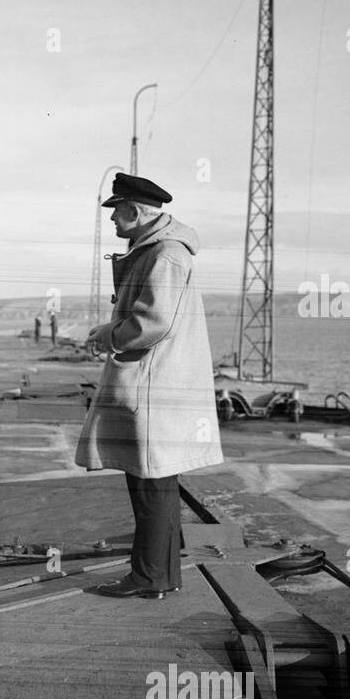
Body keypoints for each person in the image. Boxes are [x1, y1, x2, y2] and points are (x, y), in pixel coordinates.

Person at [76, 171, 223, 600]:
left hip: (154, 386)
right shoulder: (160, 251)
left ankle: (149, 577)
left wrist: (109, 335)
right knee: (154, 481)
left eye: (117, 212)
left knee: (150, 483)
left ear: (137, 212)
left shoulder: (164, 256)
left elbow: (151, 324)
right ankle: (161, 575)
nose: (113, 221)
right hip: (156, 382)